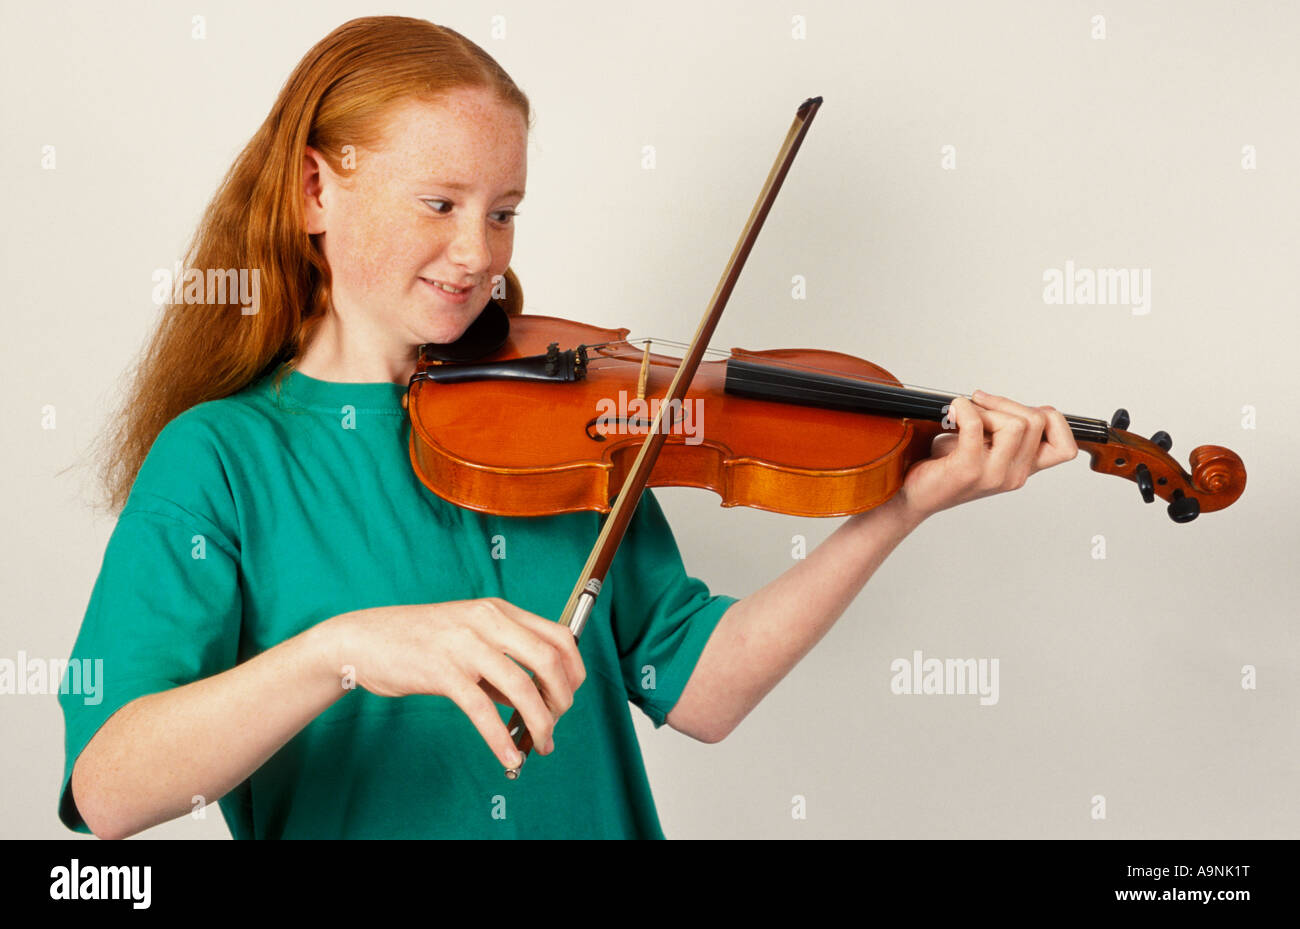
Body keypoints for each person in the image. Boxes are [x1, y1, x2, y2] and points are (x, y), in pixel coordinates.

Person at [57, 16, 1078, 840]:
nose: (477, 250)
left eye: (503, 210)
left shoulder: (563, 424)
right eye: (439, 201)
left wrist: (899, 505)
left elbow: (701, 689)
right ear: (317, 189)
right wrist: (344, 649)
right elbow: (108, 789)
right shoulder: (224, 460)